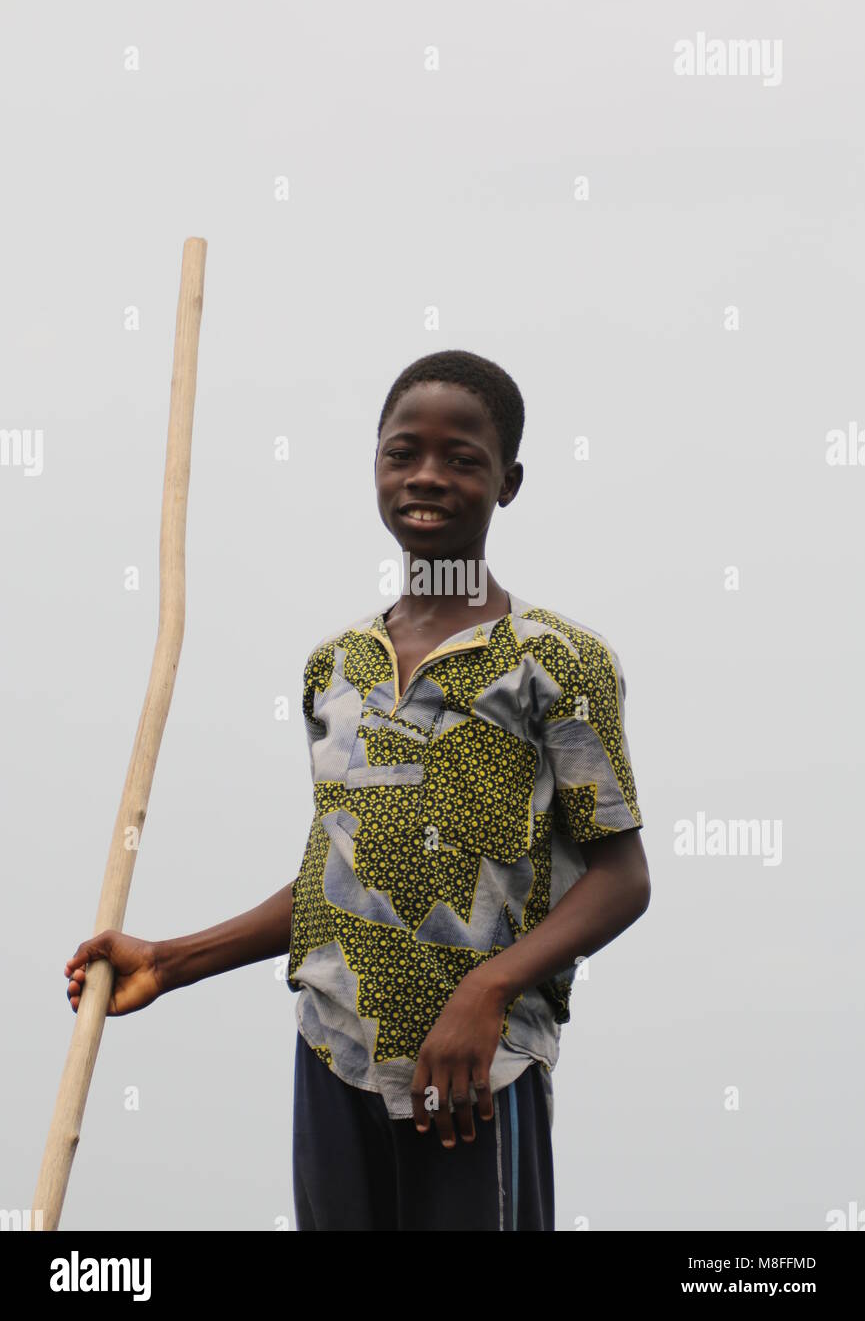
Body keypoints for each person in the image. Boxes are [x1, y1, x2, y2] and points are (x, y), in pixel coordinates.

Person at [65, 349, 651, 1232]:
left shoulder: (552, 660)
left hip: (476, 1073)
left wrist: (485, 992)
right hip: (334, 1052)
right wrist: (173, 961)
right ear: (374, 464)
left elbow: (621, 876)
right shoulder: (335, 669)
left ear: (510, 482)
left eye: (463, 459)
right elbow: (339, 883)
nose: (427, 476)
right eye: (402, 452)